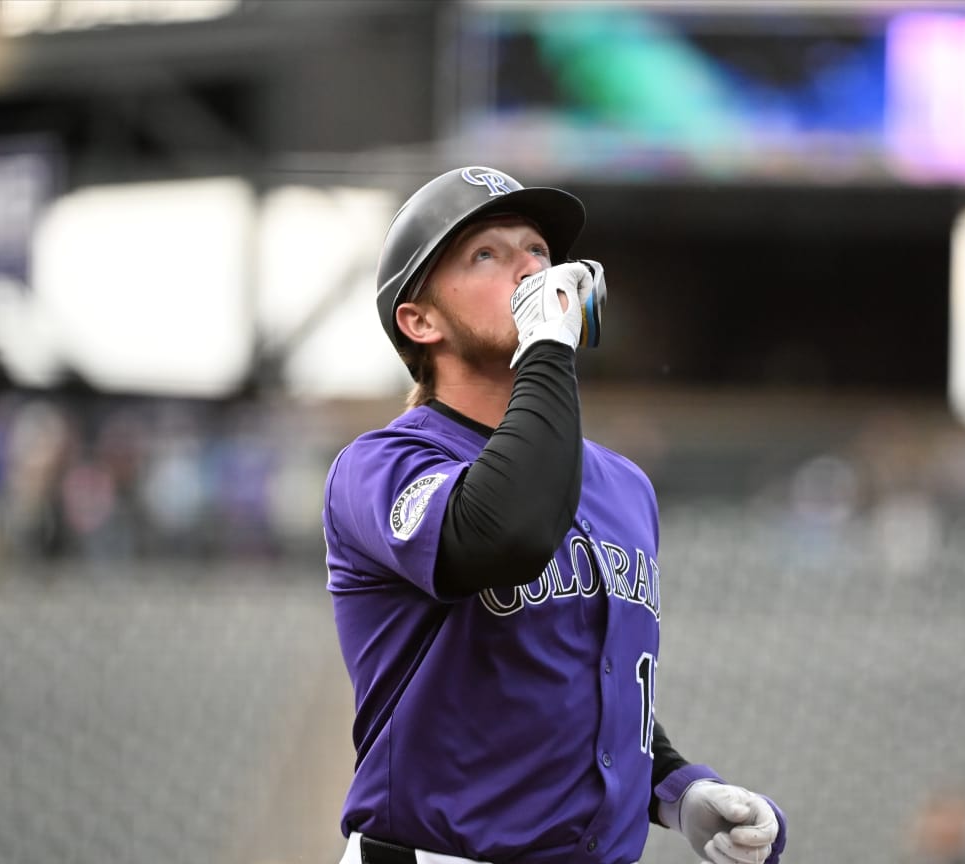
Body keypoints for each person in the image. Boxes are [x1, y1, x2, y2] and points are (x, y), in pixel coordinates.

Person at [322, 165, 788, 864]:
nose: (532, 272)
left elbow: (582, 680)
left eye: (538, 252)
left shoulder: (623, 484)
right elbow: (502, 533)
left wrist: (676, 789)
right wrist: (545, 345)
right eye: (487, 255)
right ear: (419, 320)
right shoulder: (381, 466)